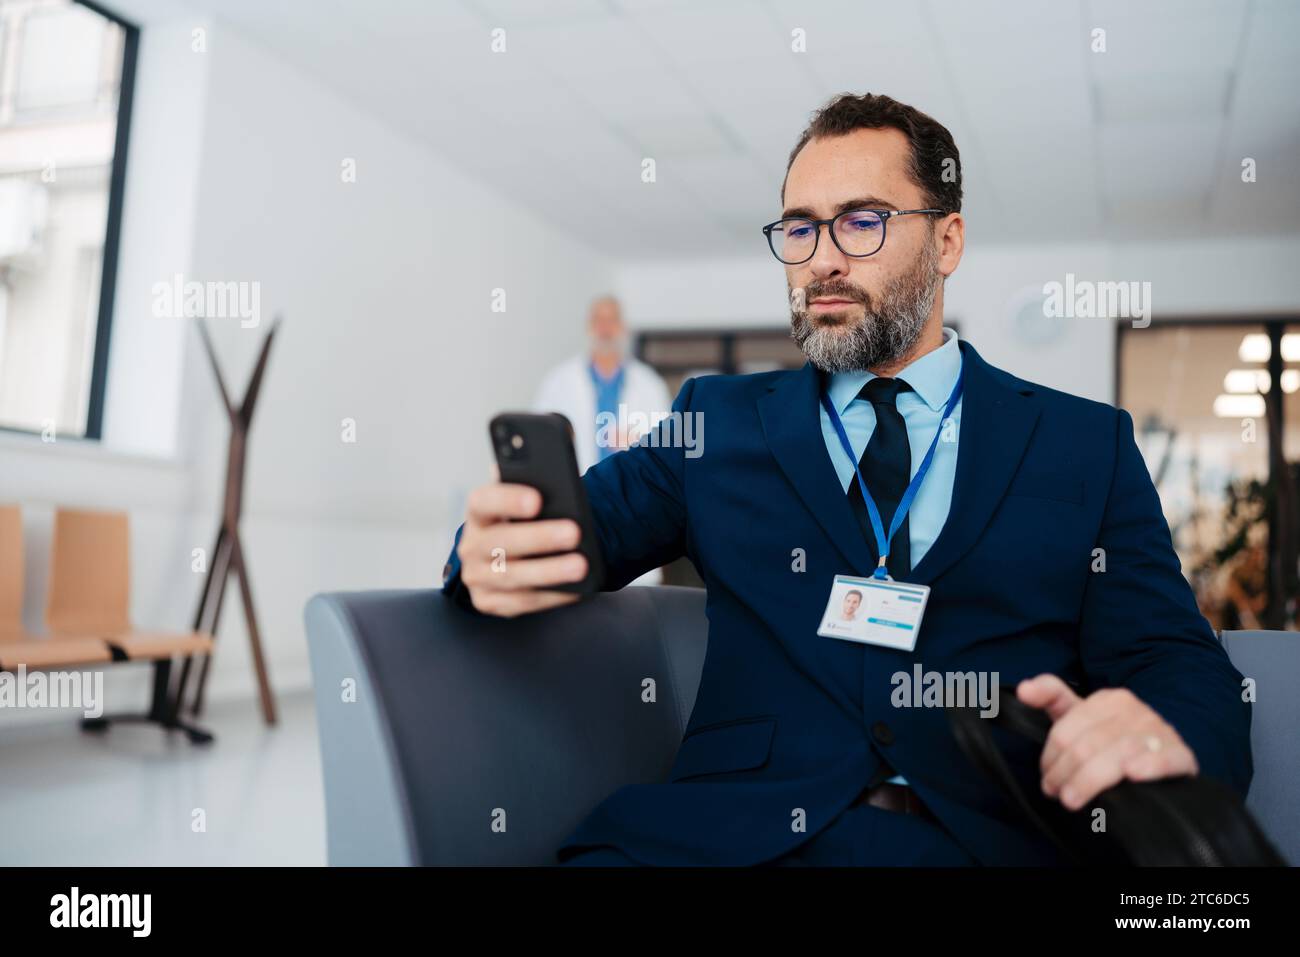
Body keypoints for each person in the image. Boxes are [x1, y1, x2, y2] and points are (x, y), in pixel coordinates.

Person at [441, 92, 1251, 866]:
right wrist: (493, 551)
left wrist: (1165, 731)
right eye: (799, 229)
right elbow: (573, 530)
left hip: (995, 839)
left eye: (862, 222)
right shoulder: (714, 421)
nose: (822, 260)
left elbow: (1173, 659)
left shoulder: (1084, 444)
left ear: (947, 242)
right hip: (736, 839)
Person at [532, 295, 671, 474]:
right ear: (588, 327)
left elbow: (666, 444)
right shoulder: (558, 382)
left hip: (631, 490)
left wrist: (638, 442)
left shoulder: (650, 385)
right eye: (598, 320)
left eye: (612, 320)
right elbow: (539, 438)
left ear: (623, 328)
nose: (605, 328)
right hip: (576, 487)